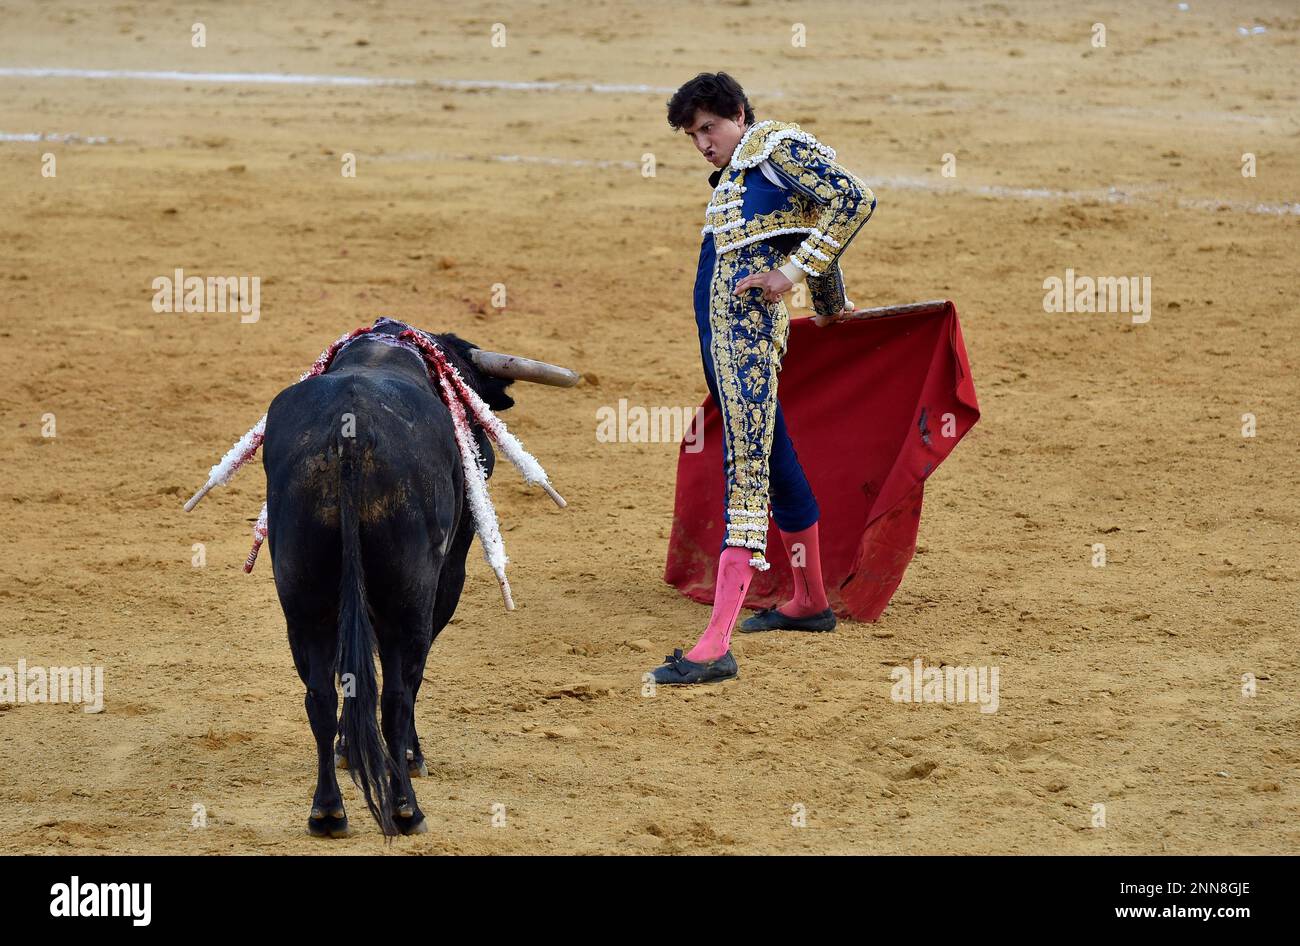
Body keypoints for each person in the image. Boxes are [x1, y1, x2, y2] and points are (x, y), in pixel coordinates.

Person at [650, 72, 877, 686]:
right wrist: (829, 300)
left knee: (746, 472)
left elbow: (853, 199)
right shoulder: (744, 170)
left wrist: (792, 277)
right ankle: (809, 600)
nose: (702, 143)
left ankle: (715, 645)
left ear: (740, 114)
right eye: (692, 135)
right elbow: (808, 223)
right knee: (775, 460)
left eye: (709, 128)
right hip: (722, 342)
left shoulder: (774, 148)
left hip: (746, 342)